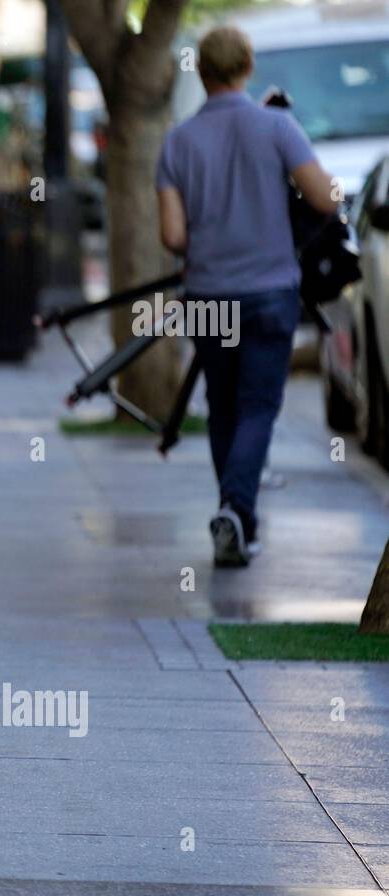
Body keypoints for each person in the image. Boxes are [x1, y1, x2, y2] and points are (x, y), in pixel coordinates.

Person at [156, 26, 338, 567]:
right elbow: (325, 197)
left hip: (210, 292)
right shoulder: (277, 126)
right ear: (248, 67)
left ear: (200, 72)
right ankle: (235, 510)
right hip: (269, 289)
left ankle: (239, 524)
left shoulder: (177, 141)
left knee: (222, 408)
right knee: (258, 406)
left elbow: (171, 236)